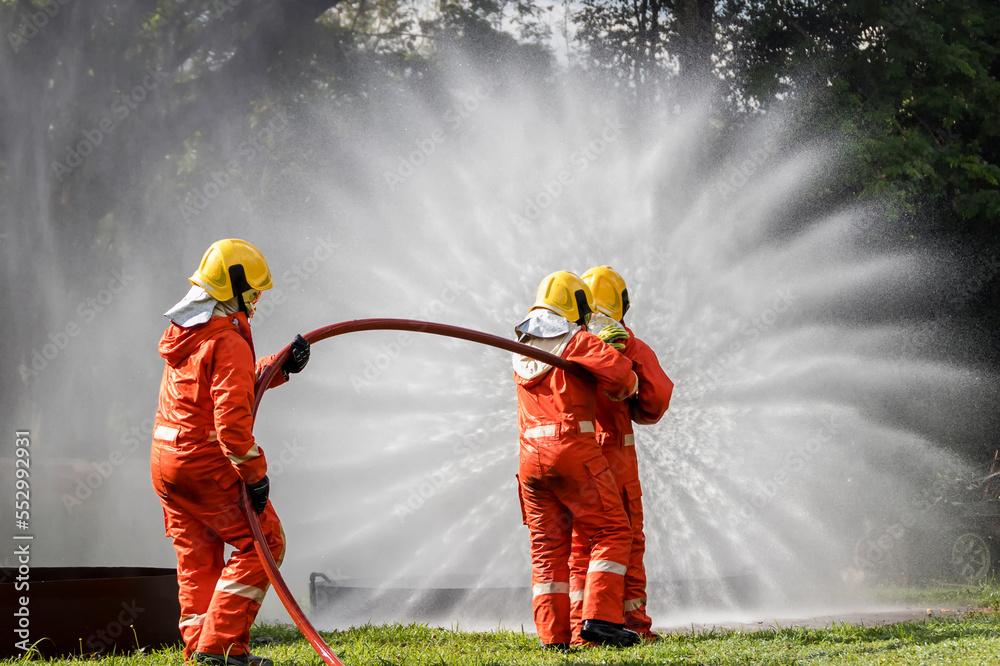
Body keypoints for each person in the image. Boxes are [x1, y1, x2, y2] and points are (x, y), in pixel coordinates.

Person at [151, 239, 311, 666]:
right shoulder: (228, 339)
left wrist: (281, 365)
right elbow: (232, 427)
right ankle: (218, 648)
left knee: (198, 557)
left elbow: (227, 386)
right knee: (264, 543)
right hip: (204, 464)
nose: (257, 302)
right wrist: (255, 476)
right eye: (254, 292)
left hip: (168, 463)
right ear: (235, 290)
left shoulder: (186, 331)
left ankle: (201, 650)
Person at [512, 270, 642, 649]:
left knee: (547, 548)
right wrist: (605, 349)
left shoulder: (522, 348)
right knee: (614, 531)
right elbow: (623, 380)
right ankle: (600, 620)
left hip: (529, 462)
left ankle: (553, 638)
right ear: (578, 305)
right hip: (571, 452)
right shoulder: (576, 339)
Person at [568, 266, 673, 644]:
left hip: (573, 460)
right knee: (624, 542)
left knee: (582, 545)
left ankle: (579, 629)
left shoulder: (568, 342)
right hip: (614, 461)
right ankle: (631, 626)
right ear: (623, 304)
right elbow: (655, 402)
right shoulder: (626, 344)